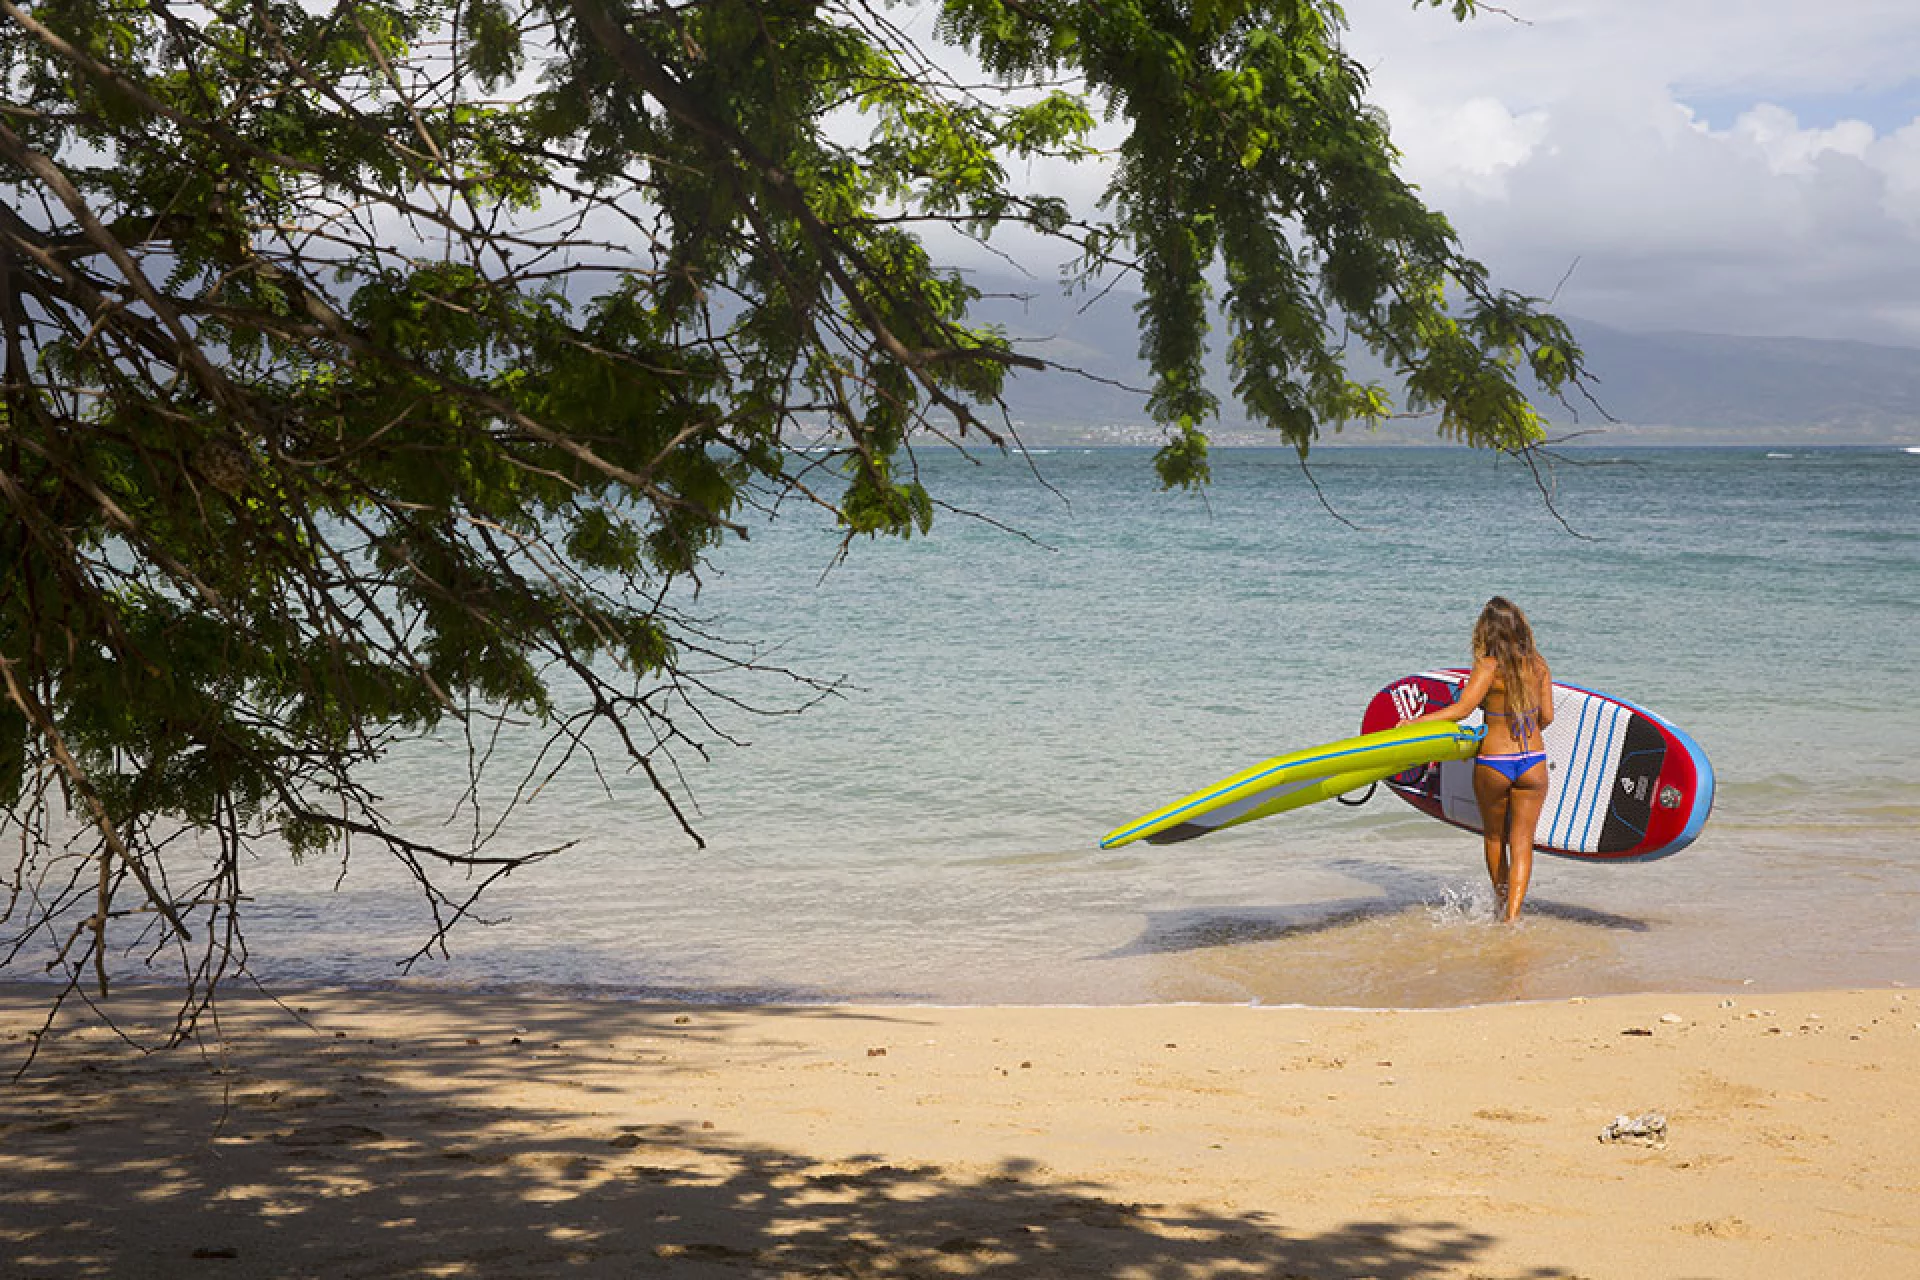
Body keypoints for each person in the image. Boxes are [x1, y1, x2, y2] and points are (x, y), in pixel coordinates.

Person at [1412, 597, 1554, 922]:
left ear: (1486, 630)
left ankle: (1500, 905)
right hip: (1533, 760)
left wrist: (1416, 722)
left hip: (1495, 762)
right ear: (1519, 626)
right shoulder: (1538, 664)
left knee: (1494, 837)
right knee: (1522, 844)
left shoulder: (1489, 666)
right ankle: (1512, 918)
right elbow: (1547, 716)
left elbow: (1461, 710)